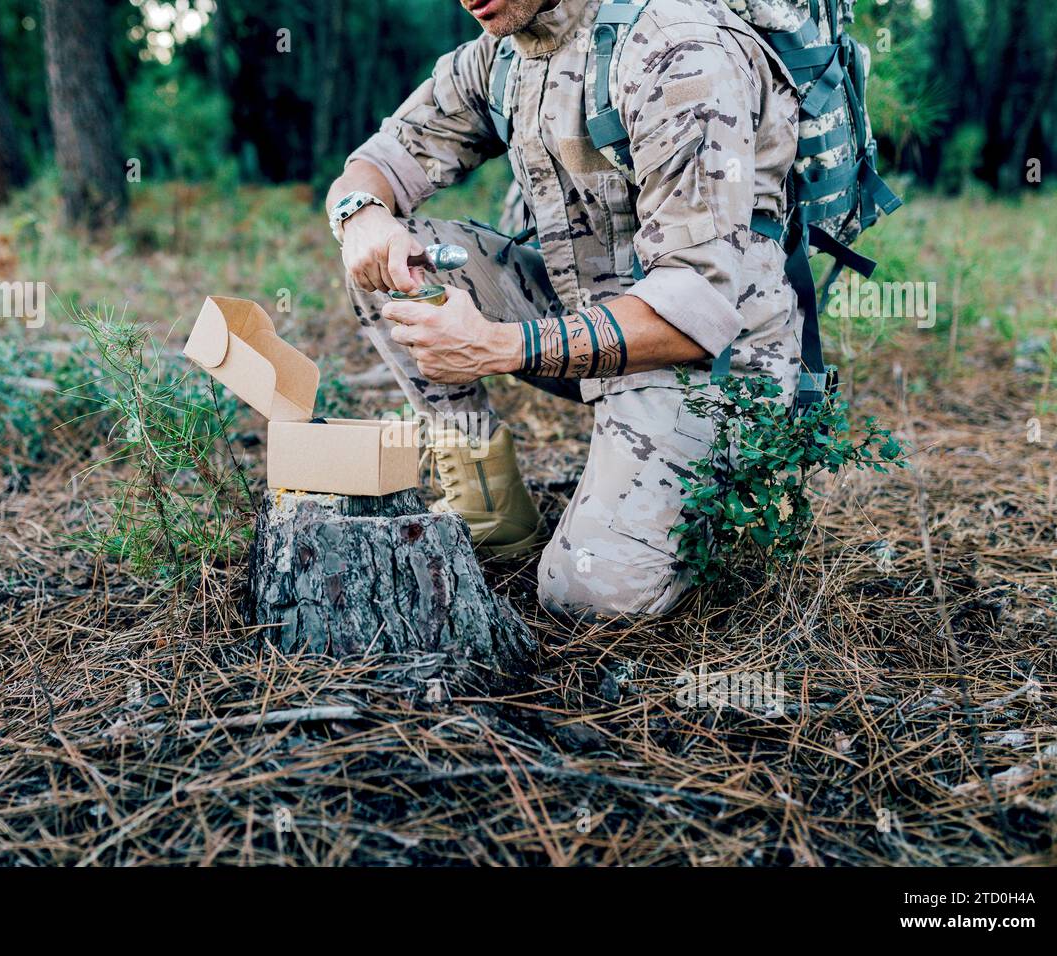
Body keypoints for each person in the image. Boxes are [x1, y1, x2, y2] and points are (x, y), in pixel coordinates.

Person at [325, 0, 800, 620]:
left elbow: (695, 310)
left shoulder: (678, 50)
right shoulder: (509, 46)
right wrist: (360, 215)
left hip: (712, 369)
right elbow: (383, 158)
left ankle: (716, 514)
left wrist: (495, 346)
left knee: (589, 597)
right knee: (387, 262)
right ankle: (491, 509)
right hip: (588, 329)